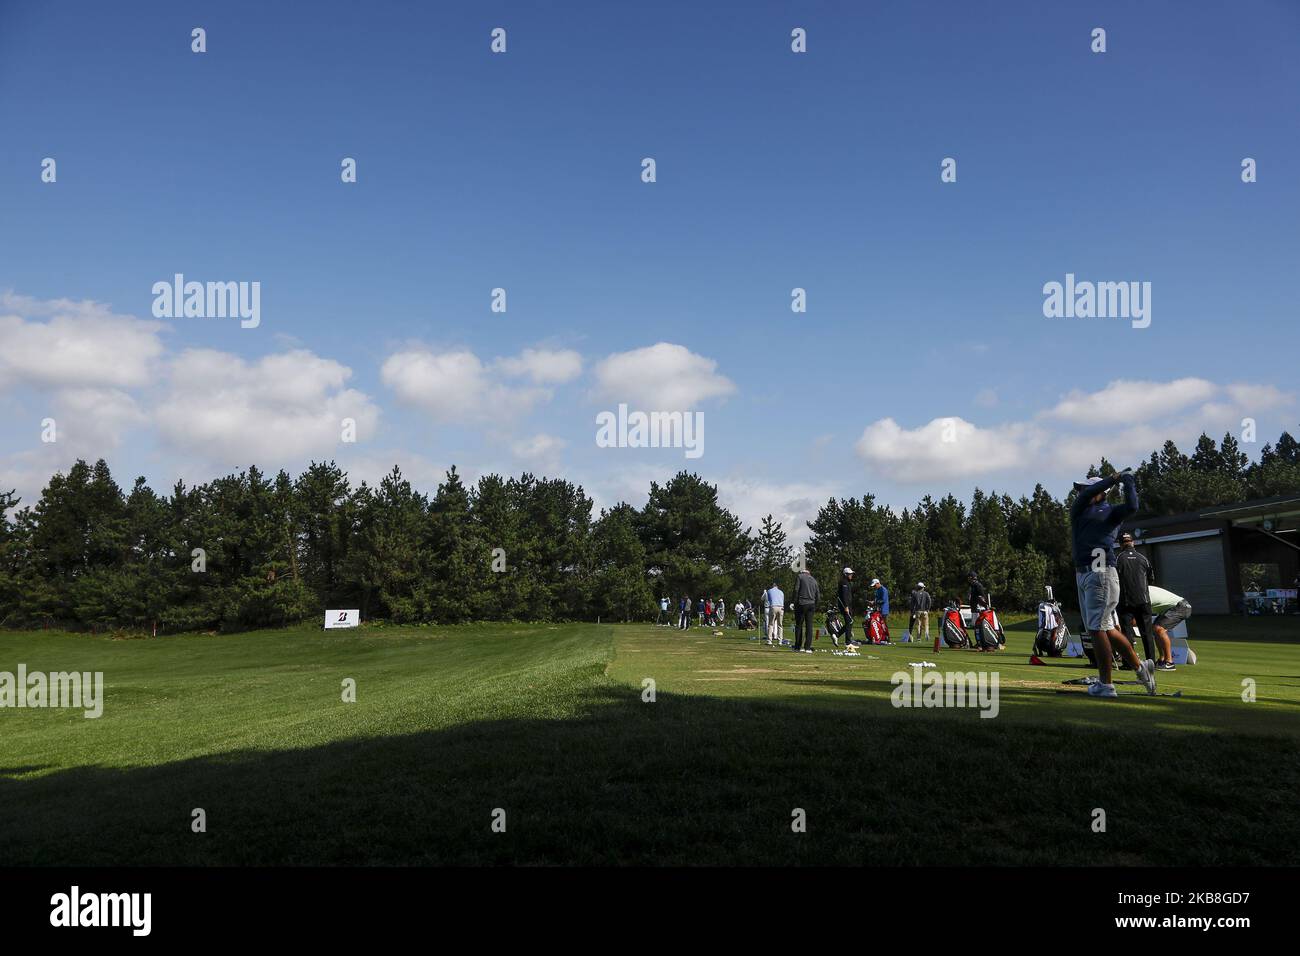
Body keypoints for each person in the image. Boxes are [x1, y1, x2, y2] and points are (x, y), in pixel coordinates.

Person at [1070, 471, 1155, 697]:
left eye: (1085, 489)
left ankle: (1106, 685)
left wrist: (1126, 480)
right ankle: (1141, 669)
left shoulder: (1111, 512)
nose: (1080, 493)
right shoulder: (1079, 510)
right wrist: (1112, 479)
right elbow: (1084, 495)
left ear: (1102, 493)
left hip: (1101, 571)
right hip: (1082, 573)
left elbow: (1133, 505)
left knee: (1097, 628)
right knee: (1103, 627)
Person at [1115, 532, 1156, 662]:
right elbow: (1151, 578)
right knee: (1147, 634)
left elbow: (1114, 579)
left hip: (1126, 602)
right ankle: (1151, 662)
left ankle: (1129, 662)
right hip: (1144, 601)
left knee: (1127, 633)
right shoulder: (1143, 558)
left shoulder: (1118, 558)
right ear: (1132, 543)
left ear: (1121, 544)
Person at [1150, 588, 1192, 671]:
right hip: (1172, 608)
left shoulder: (1143, 595)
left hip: (1181, 607)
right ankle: (1162, 660)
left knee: (1159, 629)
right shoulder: (1142, 590)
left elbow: (1139, 618)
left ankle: (1169, 662)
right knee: (1156, 629)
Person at [791, 567, 820, 653]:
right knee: (809, 626)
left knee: (799, 625)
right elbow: (818, 595)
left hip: (801, 603)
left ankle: (797, 647)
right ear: (809, 573)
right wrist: (815, 605)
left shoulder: (800, 577)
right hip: (811, 604)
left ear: (802, 572)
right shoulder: (814, 580)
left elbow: (796, 590)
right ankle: (807, 647)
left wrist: (793, 602)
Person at [835, 567, 856, 647]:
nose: (851, 575)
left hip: (847, 605)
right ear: (845, 574)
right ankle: (848, 642)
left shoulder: (847, 582)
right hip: (845, 605)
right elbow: (844, 596)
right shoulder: (843, 582)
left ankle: (836, 635)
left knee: (850, 622)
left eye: (851, 574)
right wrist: (846, 606)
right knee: (849, 622)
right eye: (850, 574)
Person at [764, 580, 785, 645]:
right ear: (777, 586)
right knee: (780, 625)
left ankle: (770, 641)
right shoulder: (781, 592)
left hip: (773, 607)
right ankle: (780, 641)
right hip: (781, 607)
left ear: (772, 586)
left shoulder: (769, 591)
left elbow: (768, 600)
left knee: (771, 624)